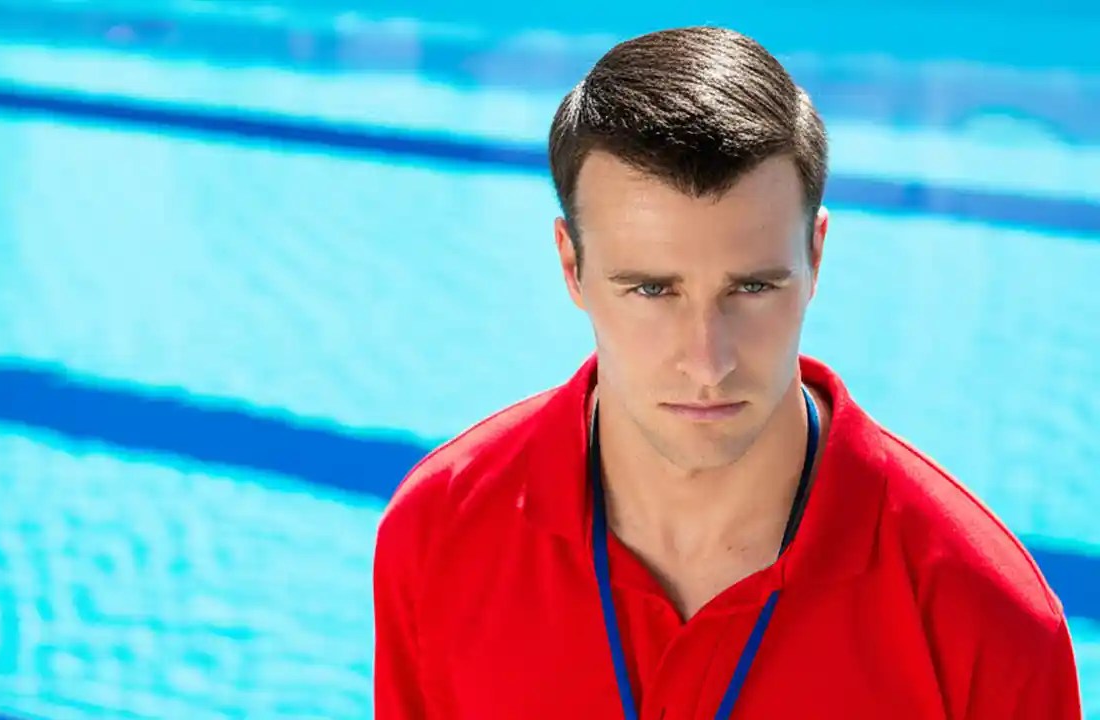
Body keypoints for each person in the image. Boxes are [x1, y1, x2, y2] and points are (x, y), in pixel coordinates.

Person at [373, 26, 1083, 719]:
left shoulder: (982, 618)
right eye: (653, 290)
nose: (708, 362)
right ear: (572, 266)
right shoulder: (439, 536)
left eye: (752, 288)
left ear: (816, 258)